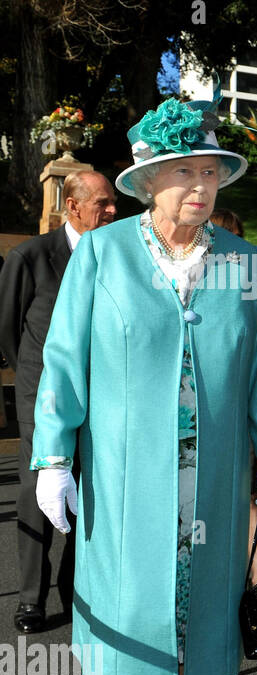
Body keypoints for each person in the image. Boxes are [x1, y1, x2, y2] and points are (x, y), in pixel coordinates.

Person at [31, 94, 257, 675]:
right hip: (124, 480)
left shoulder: (243, 263)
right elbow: (64, 358)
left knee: (204, 612)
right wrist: (53, 458)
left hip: (209, 483)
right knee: (135, 609)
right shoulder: (105, 255)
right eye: (187, 173)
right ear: (149, 182)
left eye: (211, 173)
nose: (202, 187)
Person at [0, 169, 116, 635]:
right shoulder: (30, 256)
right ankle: (31, 598)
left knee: (88, 489)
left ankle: (74, 591)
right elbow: (7, 332)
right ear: (72, 206)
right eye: (103, 203)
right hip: (40, 393)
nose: (112, 211)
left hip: (102, 393)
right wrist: (36, 377)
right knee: (37, 489)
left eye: (113, 203)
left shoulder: (118, 255)